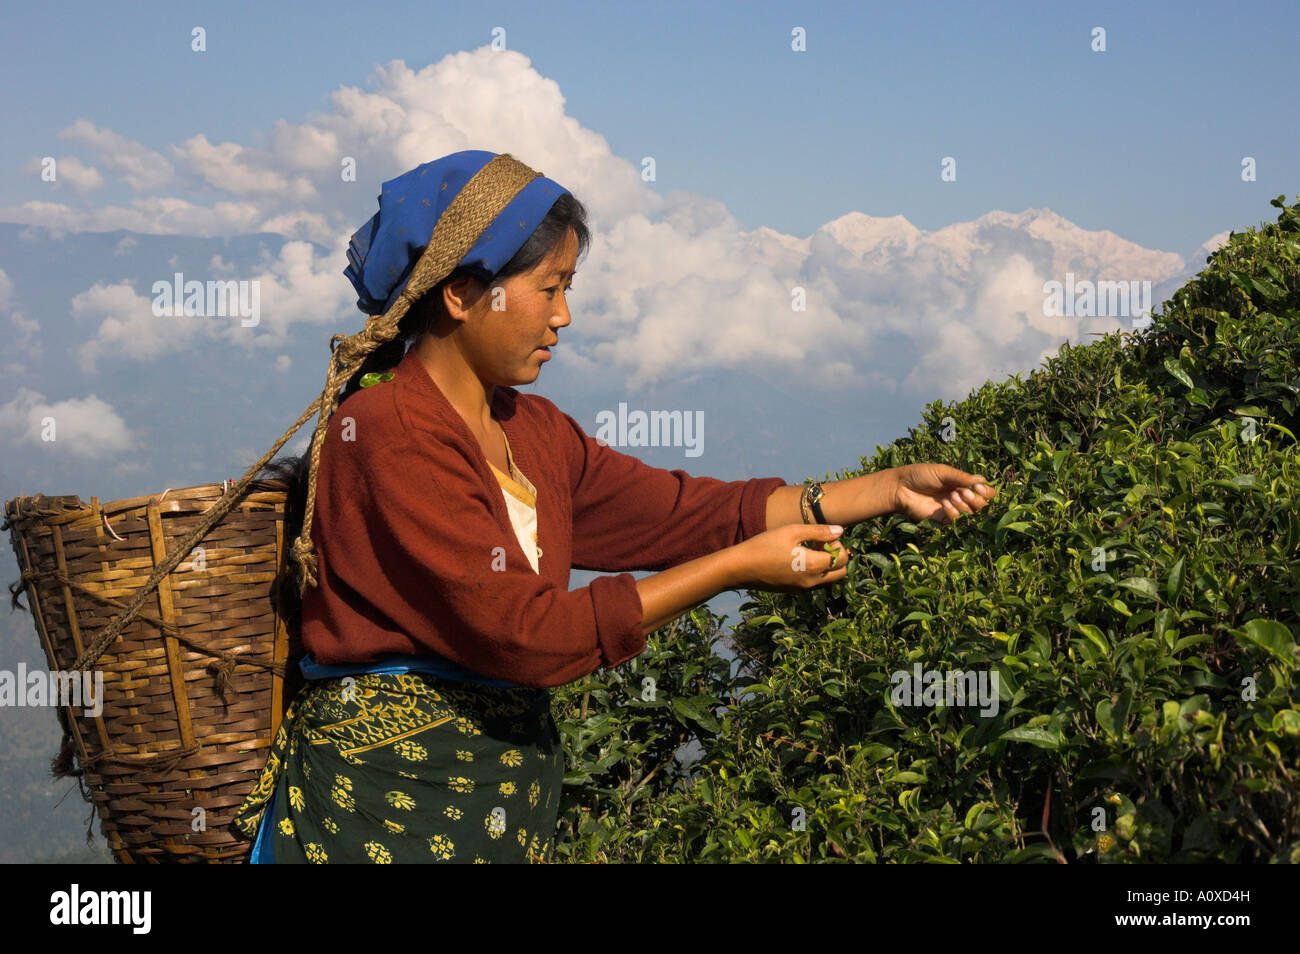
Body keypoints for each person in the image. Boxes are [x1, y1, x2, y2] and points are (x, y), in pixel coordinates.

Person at [231, 149, 996, 864]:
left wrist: (887, 490)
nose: (563, 316)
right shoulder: (389, 431)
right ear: (464, 293)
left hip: (494, 823)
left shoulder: (529, 431)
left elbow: (679, 512)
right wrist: (730, 573)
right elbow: (526, 635)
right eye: (550, 289)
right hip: (380, 819)